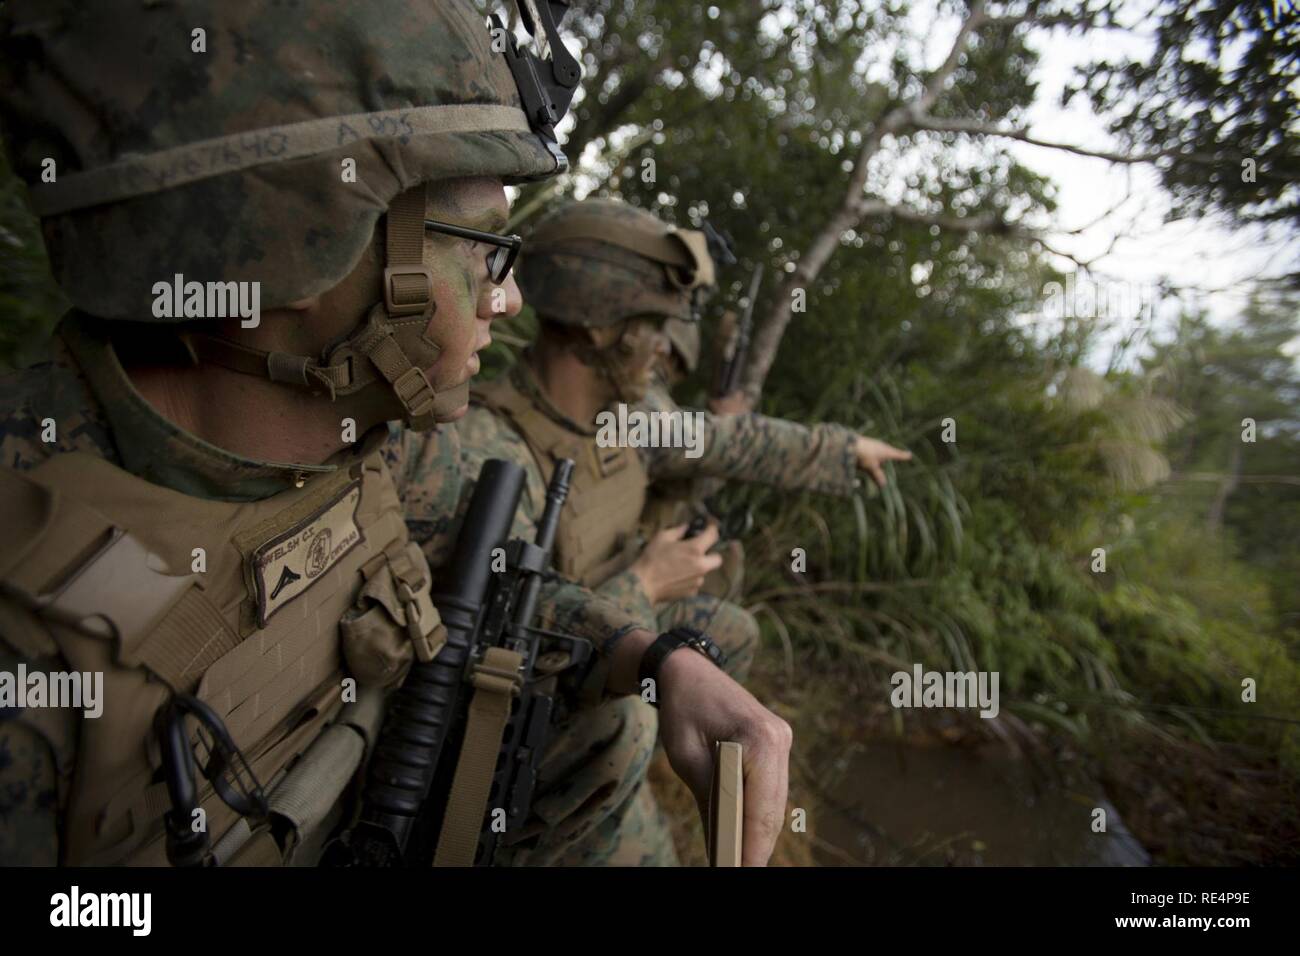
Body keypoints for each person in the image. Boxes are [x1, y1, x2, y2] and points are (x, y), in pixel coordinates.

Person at [0, 0, 580, 866]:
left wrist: (652, 654)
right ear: (298, 247)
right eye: (484, 250)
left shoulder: (362, 444)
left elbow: (499, 578)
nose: (510, 299)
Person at [452, 197, 912, 863]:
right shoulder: (487, 451)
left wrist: (842, 451)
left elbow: (733, 440)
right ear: (596, 324)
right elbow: (503, 654)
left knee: (732, 631)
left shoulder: (631, 419)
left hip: (613, 668)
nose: (668, 349)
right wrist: (645, 584)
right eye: (655, 327)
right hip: (544, 727)